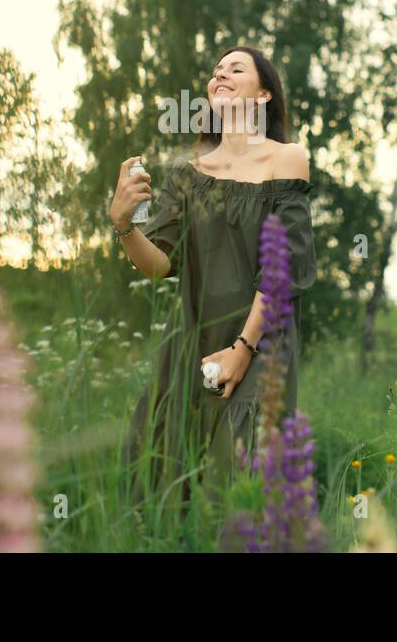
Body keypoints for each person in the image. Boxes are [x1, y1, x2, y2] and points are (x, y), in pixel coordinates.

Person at [109, 45, 317, 512]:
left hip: (261, 343)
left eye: (235, 69)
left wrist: (243, 350)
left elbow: (283, 269)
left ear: (263, 94)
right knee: (163, 479)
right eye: (215, 70)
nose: (219, 75)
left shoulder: (285, 160)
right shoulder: (186, 175)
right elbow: (160, 264)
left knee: (239, 482)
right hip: (189, 343)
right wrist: (124, 225)